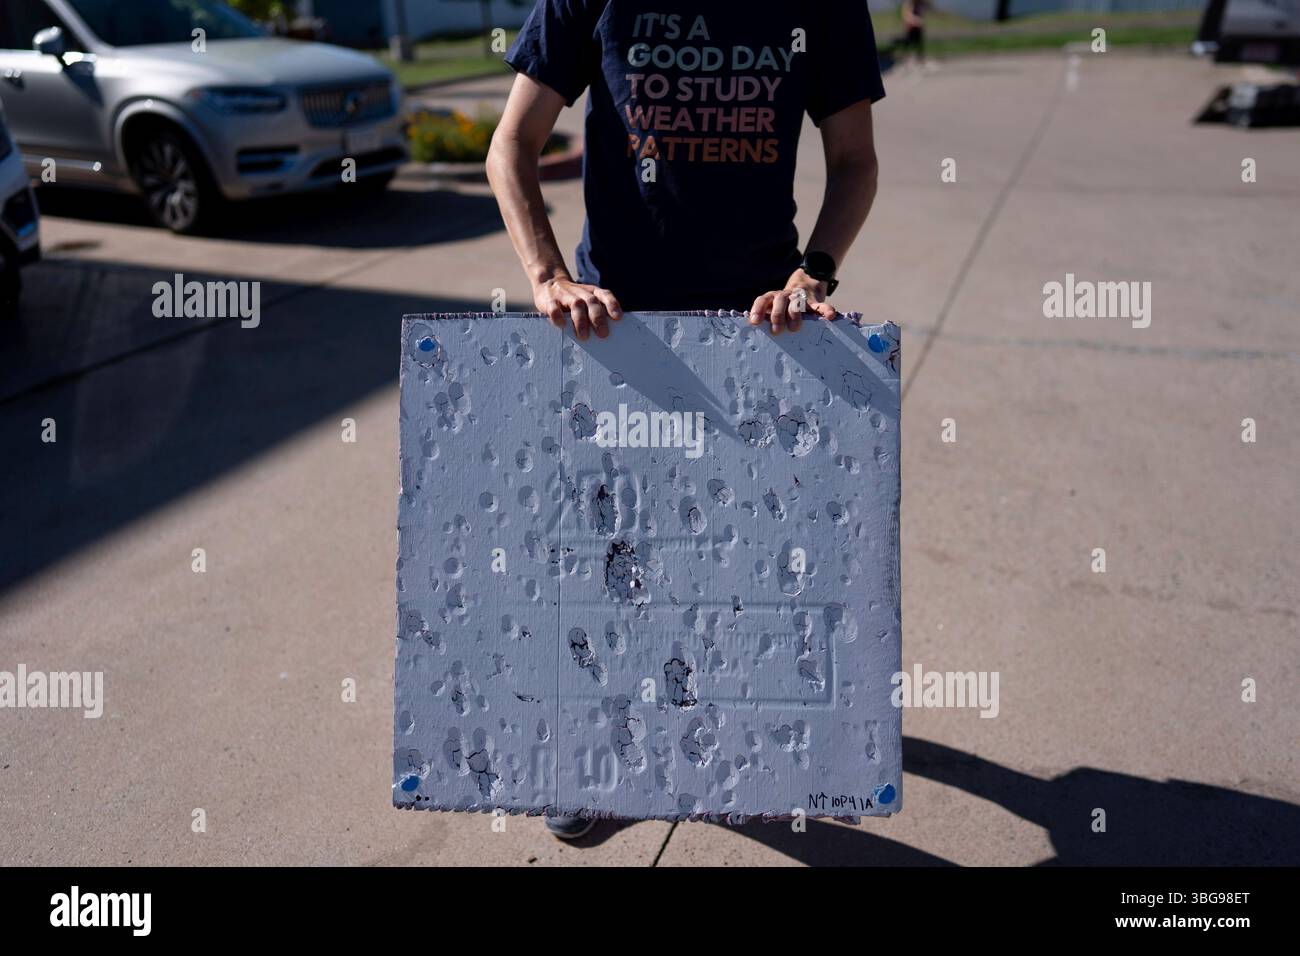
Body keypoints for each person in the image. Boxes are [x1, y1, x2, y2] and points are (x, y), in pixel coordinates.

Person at [486, 0, 884, 840]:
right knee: (612, 558)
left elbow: (853, 159)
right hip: (616, 329)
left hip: (758, 336)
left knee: (744, 558)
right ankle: (601, 754)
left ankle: (746, 738)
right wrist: (547, 273)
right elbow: (511, 145)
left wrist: (816, 273)